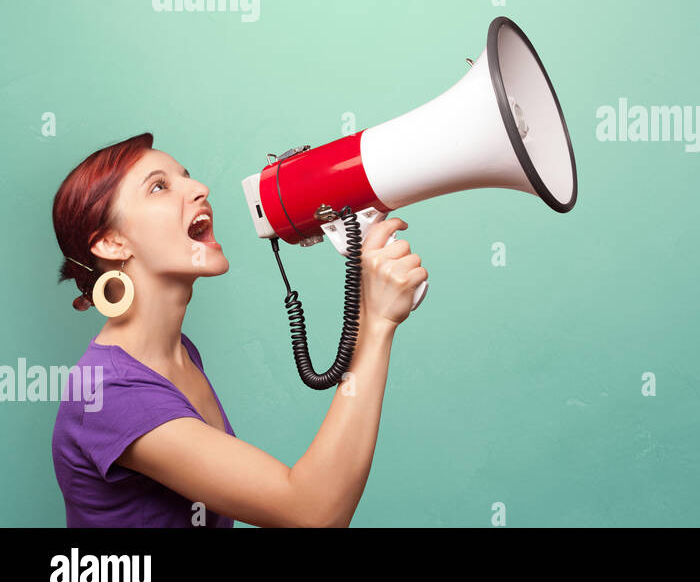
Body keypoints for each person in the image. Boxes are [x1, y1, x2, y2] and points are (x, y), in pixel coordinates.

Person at [50, 132, 427, 527]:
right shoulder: (110, 395)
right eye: (159, 187)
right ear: (111, 242)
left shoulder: (179, 354)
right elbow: (313, 512)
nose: (200, 188)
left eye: (187, 176)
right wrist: (376, 322)